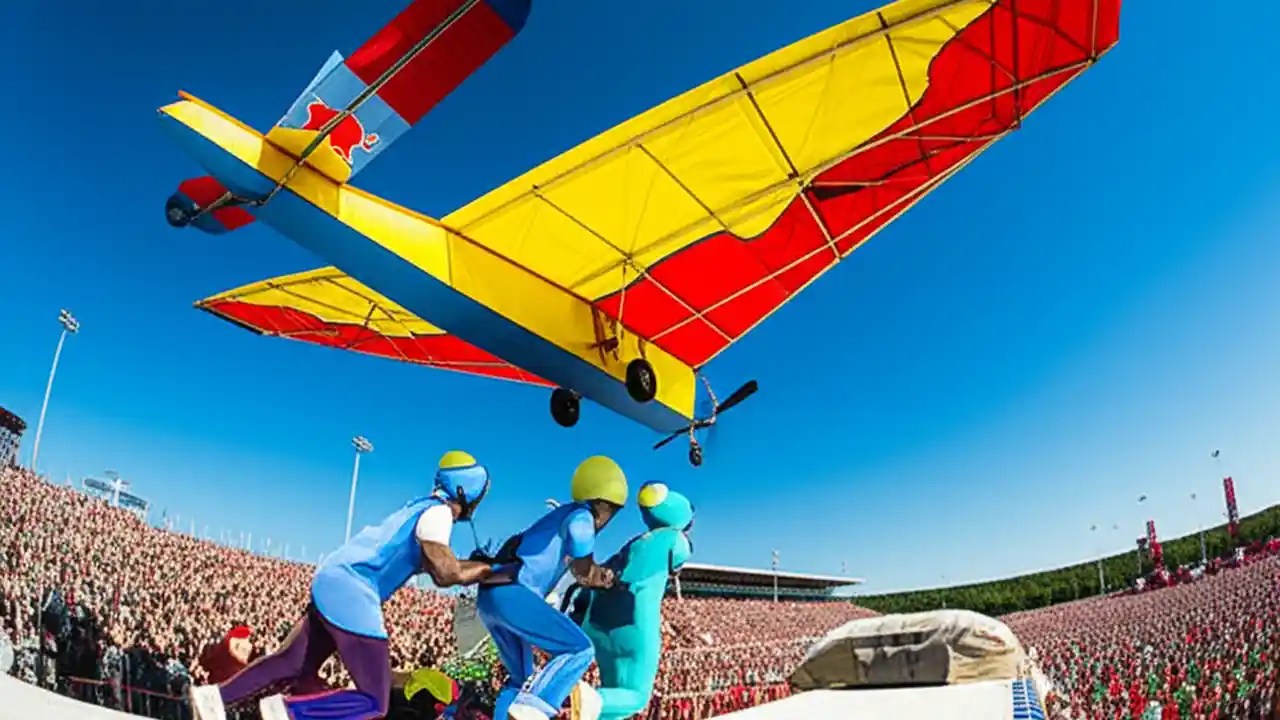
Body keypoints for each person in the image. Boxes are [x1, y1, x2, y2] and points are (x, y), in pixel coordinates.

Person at [189, 450, 501, 720]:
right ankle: (288, 712)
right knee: (375, 702)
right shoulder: (439, 514)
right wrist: (489, 570)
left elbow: (437, 564)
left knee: (291, 662)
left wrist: (476, 566)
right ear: (466, 490)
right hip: (356, 590)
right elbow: (446, 573)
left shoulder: (419, 508)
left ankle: (213, 698)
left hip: (333, 580)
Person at [476, 455, 626, 720]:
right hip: (514, 594)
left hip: (490, 598)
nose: (607, 520)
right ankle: (532, 711)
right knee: (578, 649)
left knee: (521, 678)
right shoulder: (580, 515)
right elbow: (582, 567)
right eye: (611, 511)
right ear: (600, 502)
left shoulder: (557, 516)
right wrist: (603, 577)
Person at [571, 482, 694, 720]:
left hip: (597, 621)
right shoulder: (673, 537)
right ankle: (595, 699)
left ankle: (598, 704)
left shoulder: (630, 546)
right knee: (636, 695)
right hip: (633, 618)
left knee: (613, 693)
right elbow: (680, 557)